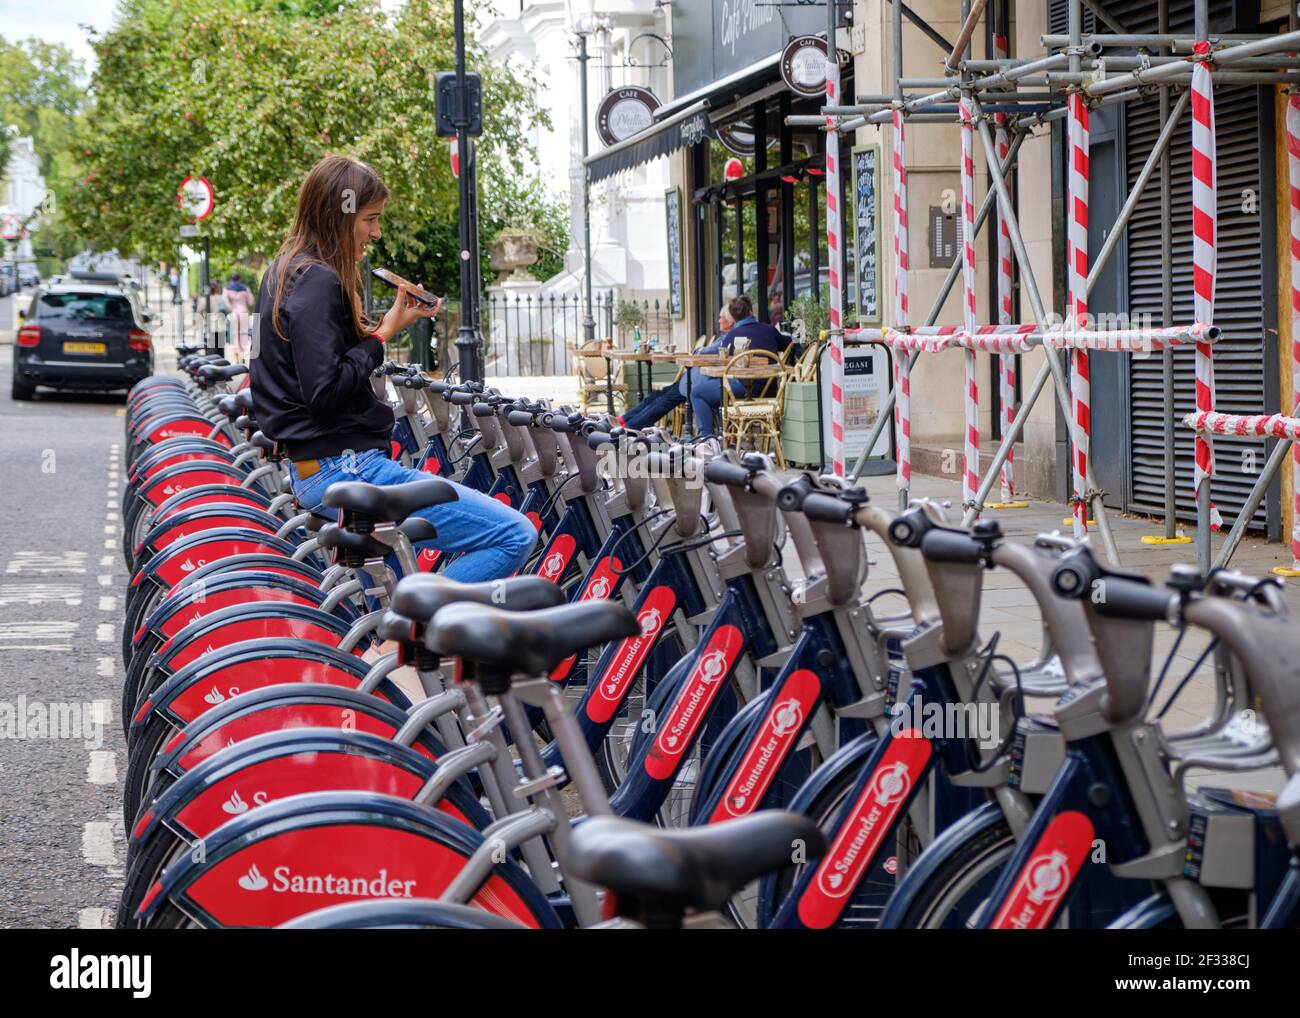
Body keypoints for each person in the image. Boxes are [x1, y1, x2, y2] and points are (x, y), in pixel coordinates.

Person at [249, 153, 536, 582]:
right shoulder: (319, 280)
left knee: (389, 591)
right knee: (514, 534)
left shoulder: (283, 271)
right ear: (338, 215)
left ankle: (398, 620)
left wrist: (376, 330)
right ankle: (417, 615)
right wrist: (380, 337)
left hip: (317, 468)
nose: (376, 232)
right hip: (347, 467)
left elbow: (293, 365)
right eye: (369, 219)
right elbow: (324, 390)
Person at [620, 294, 788, 435]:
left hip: (742, 389)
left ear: (733, 318)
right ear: (751, 311)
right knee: (682, 391)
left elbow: (721, 359)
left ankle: (707, 437)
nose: (719, 320)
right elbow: (789, 344)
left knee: (697, 392)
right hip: (770, 390)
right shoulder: (770, 330)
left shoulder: (731, 336)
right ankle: (717, 434)